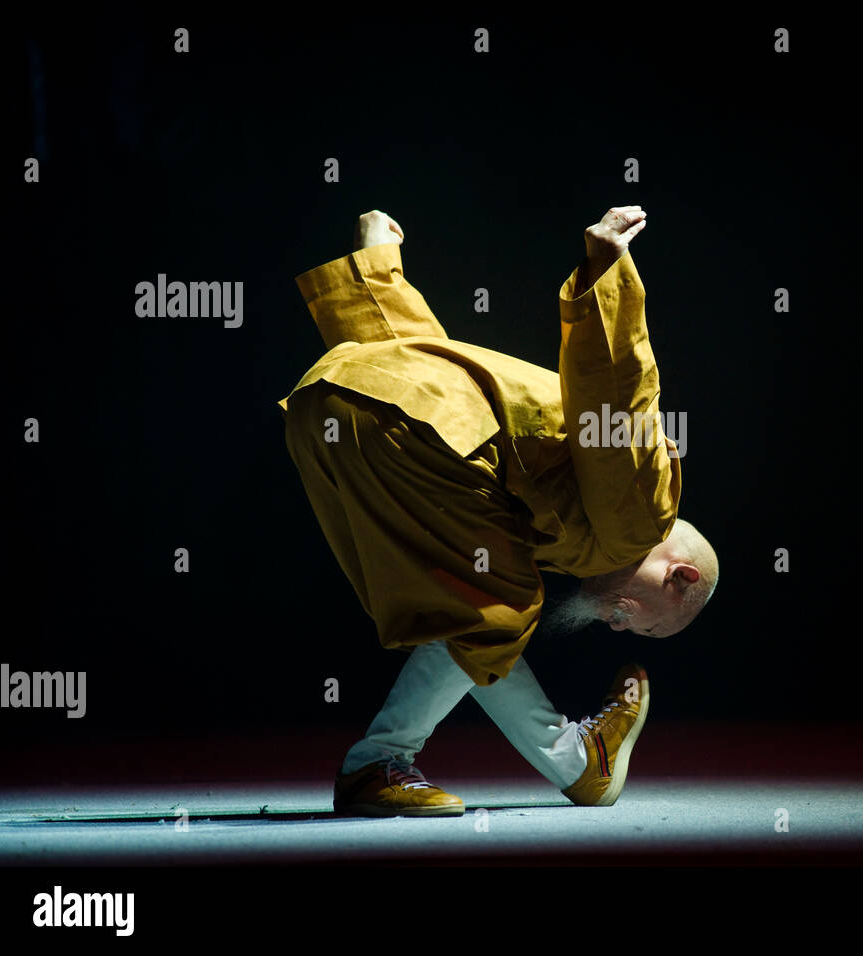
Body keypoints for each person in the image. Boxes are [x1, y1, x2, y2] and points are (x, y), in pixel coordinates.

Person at [278, 206, 719, 815]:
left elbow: (416, 362)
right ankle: (382, 765)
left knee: (478, 609)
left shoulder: (561, 535)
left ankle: (567, 762)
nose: (617, 626)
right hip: (416, 433)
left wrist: (373, 269)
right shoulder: (644, 517)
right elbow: (617, 402)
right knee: (498, 609)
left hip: (329, 404)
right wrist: (606, 277)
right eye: (643, 622)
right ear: (679, 575)